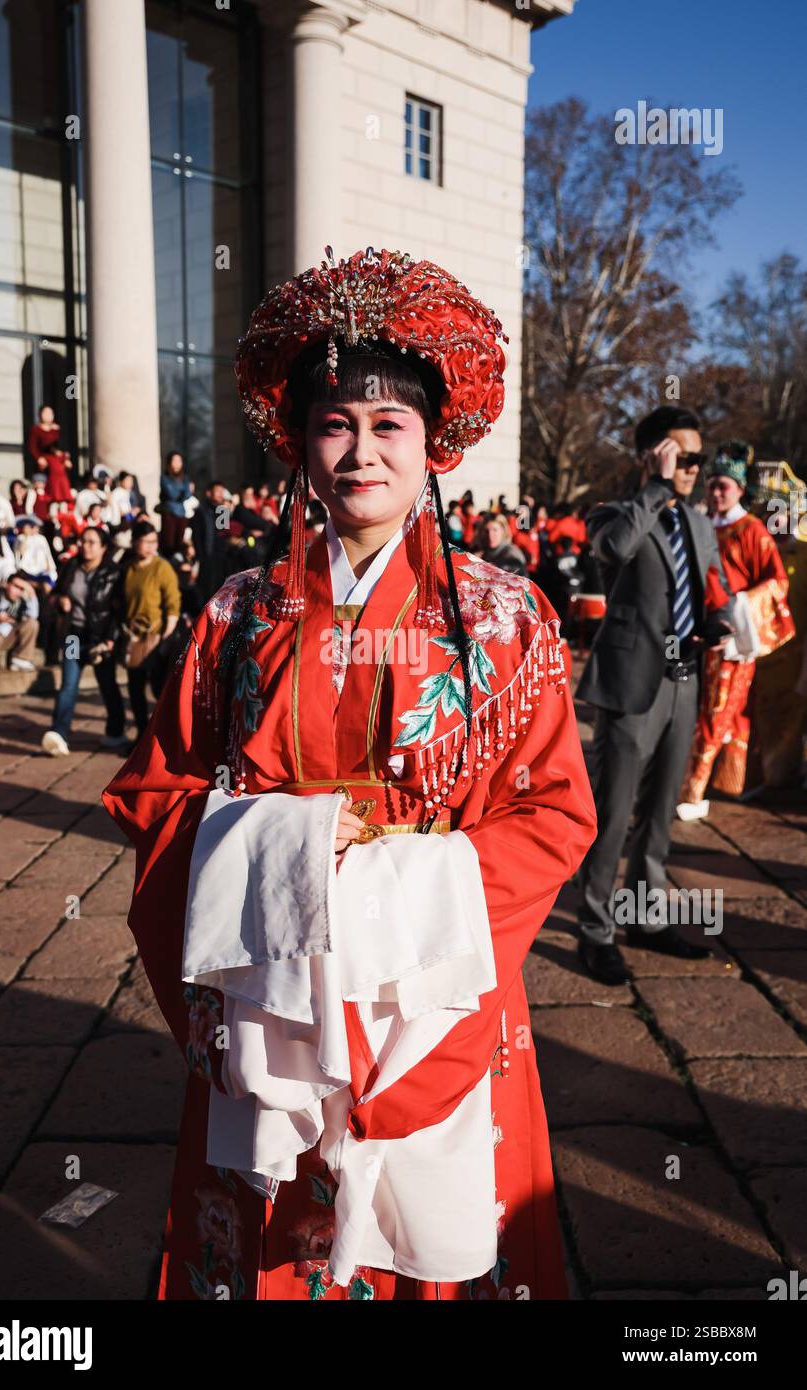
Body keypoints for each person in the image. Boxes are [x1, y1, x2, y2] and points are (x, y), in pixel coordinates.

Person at [102, 246, 596, 1302]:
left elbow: (552, 813)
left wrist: (391, 892)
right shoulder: (236, 615)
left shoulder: (506, 618)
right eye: (334, 423)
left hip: (433, 991)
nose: (359, 452)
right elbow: (152, 796)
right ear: (299, 443)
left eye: (387, 426)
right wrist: (280, 845)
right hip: (268, 985)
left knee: (443, 1242)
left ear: (432, 444)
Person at [575, 405, 735, 985]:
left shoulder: (696, 520)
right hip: (628, 682)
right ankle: (594, 931)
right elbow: (614, 551)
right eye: (681, 456)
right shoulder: (613, 512)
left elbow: (705, 582)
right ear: (651, 455)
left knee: (660, 815)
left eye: (697, 457)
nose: (692, 467)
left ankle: (643, 917)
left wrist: (715, 619)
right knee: (613, 815)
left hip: (683, 678)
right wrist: (656, 488)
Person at [677, 442, 794, 817]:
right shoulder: (701, 525)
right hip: (695, 635)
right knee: (700, 713)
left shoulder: (753, 530)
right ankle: (718, 781)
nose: (716, 492)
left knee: (717, 713)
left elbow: (777, 582)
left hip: (732, 637)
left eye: (723, 486)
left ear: (740, 490)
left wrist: (740, 607)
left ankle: (694, 791)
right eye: (712, 485)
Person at [42, 527, 128, 757]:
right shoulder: (71, 567)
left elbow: (118, 610)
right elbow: (55, 593)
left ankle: (115, 732)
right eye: (83, 541)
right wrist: (60, 600)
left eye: (92, 542)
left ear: (103, 547)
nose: (86, 546)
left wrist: (111, 639)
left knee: (107, 685)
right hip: (73, 634)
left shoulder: (114, 573)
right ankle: (59, 733)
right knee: (68, 685)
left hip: (100, 639)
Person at [121, 520, 182, 738]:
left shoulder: (161, 567)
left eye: (153, 541)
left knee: (159, 689)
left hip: (157, 635)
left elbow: (173, 601)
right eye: (144, 541)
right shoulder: (128, 567)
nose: (150, 546)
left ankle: (163, 736)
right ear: (134, 542)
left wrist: (166, 635)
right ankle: (141, 735)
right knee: (135, 689)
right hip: (134, 636)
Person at [0, 574, 39, 673]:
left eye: (22, 589)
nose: (18, 591)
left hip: (11, 637)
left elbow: (33, 616)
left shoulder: (22, 601)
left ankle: (21, 659)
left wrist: (31, 592)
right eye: (16, 587)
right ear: (6, 584)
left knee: (32, 623)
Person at [190, 479, 232, 599]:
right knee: (207, 590)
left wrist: (226, 513)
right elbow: (196, 536)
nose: (220, 494)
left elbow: (224, 533)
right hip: (206, 556)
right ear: (209, 493)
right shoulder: (201, 511)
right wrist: (201, 555)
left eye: (222, 491)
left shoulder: (222, 510)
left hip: (221, 557)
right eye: (217, 491)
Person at [159, 451, 194, 555]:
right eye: (174, 460)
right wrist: (183, 491)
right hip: (169, 513)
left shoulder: (185, 477)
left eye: (179, 461)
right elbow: (172, 494)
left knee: (180, 542)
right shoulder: (164, 477)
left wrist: (182, 492)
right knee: (168, 543)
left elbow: (188, 495)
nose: (177, 463)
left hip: (181, 513)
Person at [27, 404, 61, 471]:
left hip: (55, 463)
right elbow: (32, 447)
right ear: (40, 414)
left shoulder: (56, 430)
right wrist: (38, 458)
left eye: (50, 413)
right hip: (42, 463)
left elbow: (59, 447)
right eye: (46, 413)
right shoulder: (36, 430)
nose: (48, 415)